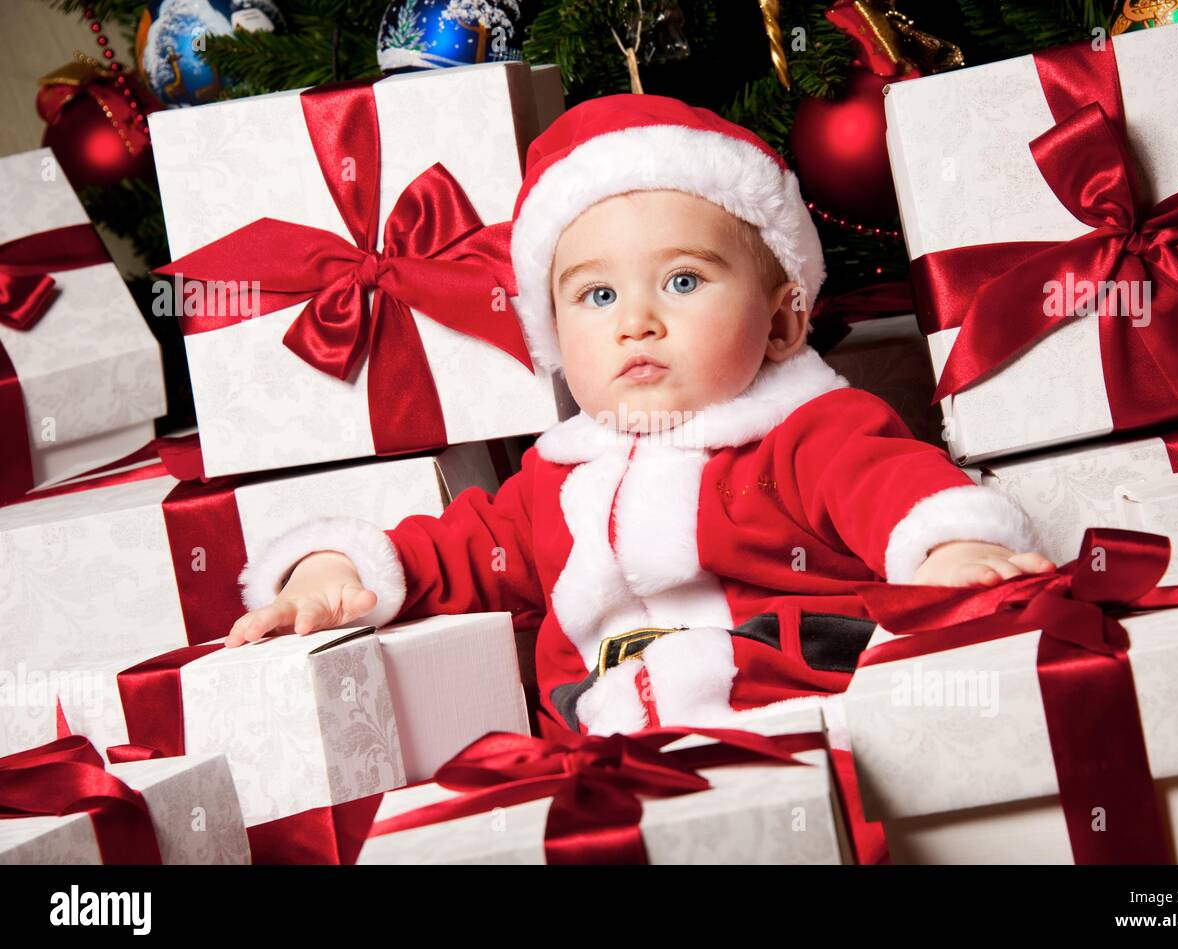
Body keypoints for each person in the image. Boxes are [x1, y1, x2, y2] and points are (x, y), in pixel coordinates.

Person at [229, 94, 1053, 738]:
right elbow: (446, 553)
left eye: (684, 281)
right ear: (554, 334)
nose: (637, 321)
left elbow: (894, 489)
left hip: (799, 709)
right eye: (596, 295)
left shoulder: (807, 434)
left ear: (781, 321)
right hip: (609, 737)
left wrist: (954, 547)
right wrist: (333, 572)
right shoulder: (550, 485)